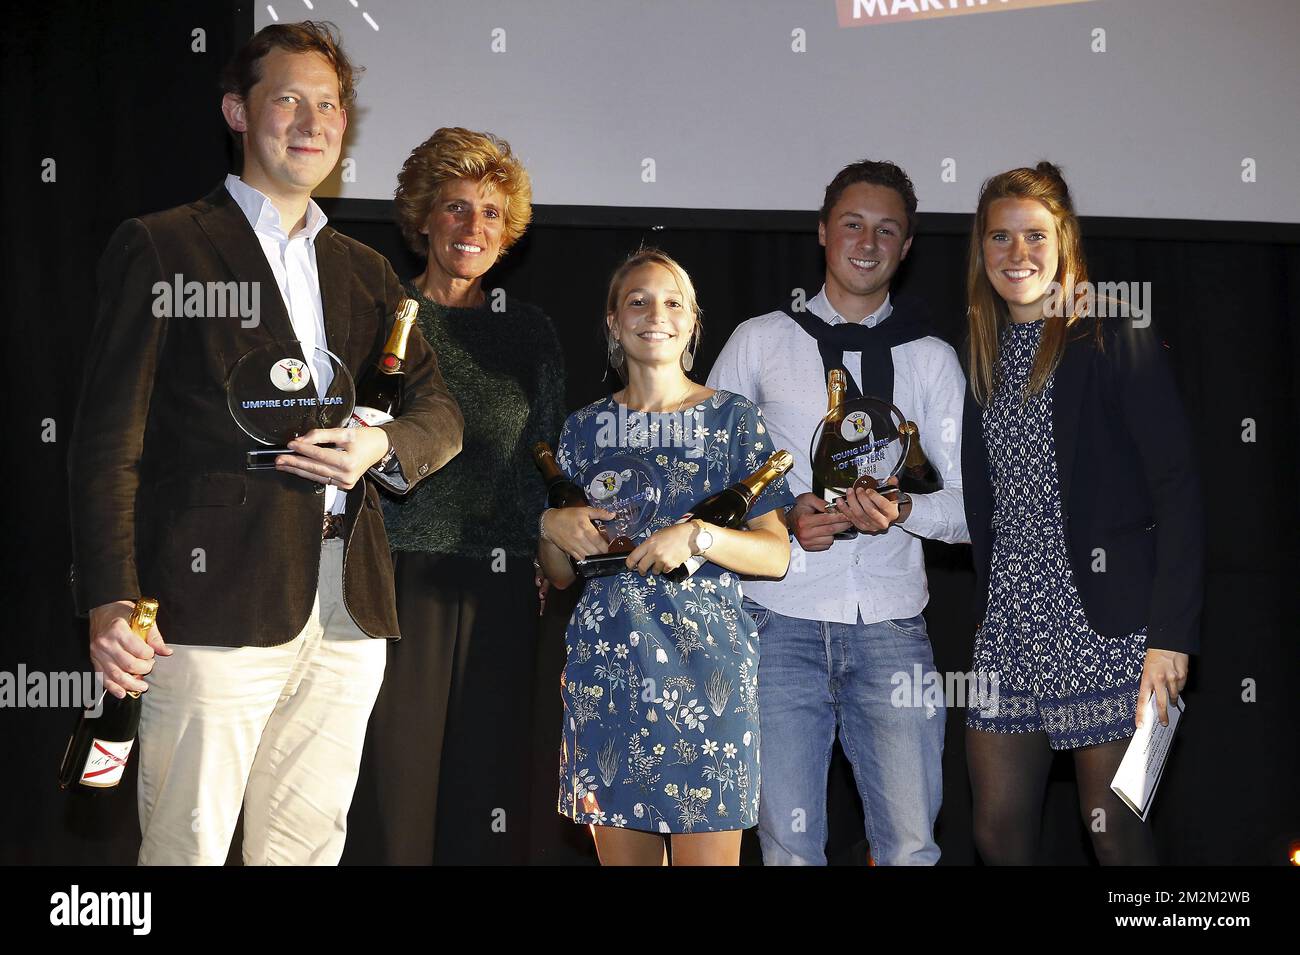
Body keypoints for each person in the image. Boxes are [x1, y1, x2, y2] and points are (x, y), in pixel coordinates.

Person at [66, 21, 463, 866]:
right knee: (189, 844)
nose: (312, 120)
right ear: (238, 113)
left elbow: (439, 414)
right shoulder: (165, 244)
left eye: (329, 105)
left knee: (308, 846)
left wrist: (377, 448)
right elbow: (108, 444)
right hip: (207, 603)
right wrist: (108, 598)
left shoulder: (363, 267)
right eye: (288, 98)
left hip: (348, 603)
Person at [707, 160, 968, 865]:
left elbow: (972, 510)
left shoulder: (932, 360)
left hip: (890, 627)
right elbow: (705, 489)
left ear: (907, 247)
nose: (867, 240)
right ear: (822, 232)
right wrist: (783, 519)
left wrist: (902, 506)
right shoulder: (759, 341)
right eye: (852, 223)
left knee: (911, 847)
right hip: (776, 621)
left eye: (888, 229)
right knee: (790, 849)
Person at [961, 162, 1202, 865]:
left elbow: (1179, 485)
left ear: (1064, 242)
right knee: (996, 833)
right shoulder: (977, 353)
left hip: (1113, 628)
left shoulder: (1110, 333)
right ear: (980, 251)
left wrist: (1173, 636)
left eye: (1034, 236)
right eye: (999, 238)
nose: (1017, 254)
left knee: (1113, 833)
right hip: (1009, 624)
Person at [345, 127, 565, 864]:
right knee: (391, 804)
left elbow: (546, 459)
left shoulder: (530, 333)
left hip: (501, 592)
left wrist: (541, 552)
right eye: (457, 208)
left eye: (493, 214)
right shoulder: (376, 317)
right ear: (422, 218)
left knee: (487, 802)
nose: (475, 227)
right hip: (392, 581)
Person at [537, 249, 793, 866]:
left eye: (673, 302)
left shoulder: (732, 419)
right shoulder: (582, 429)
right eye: (639, 301)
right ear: (613, 322)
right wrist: (551, 527)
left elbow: (776, 555)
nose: (657, 314)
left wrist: (698, 537)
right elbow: (560, 575)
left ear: (693, 323)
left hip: (711, 677)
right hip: (609, 674)